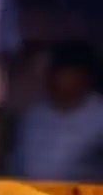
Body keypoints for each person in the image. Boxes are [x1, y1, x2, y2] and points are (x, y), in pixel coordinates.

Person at [8, 44, 103, 181]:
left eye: (70, 74)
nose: (62, 80)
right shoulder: (34, 114)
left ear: (85, 77)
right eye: (57, 74)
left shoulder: (99, 117)